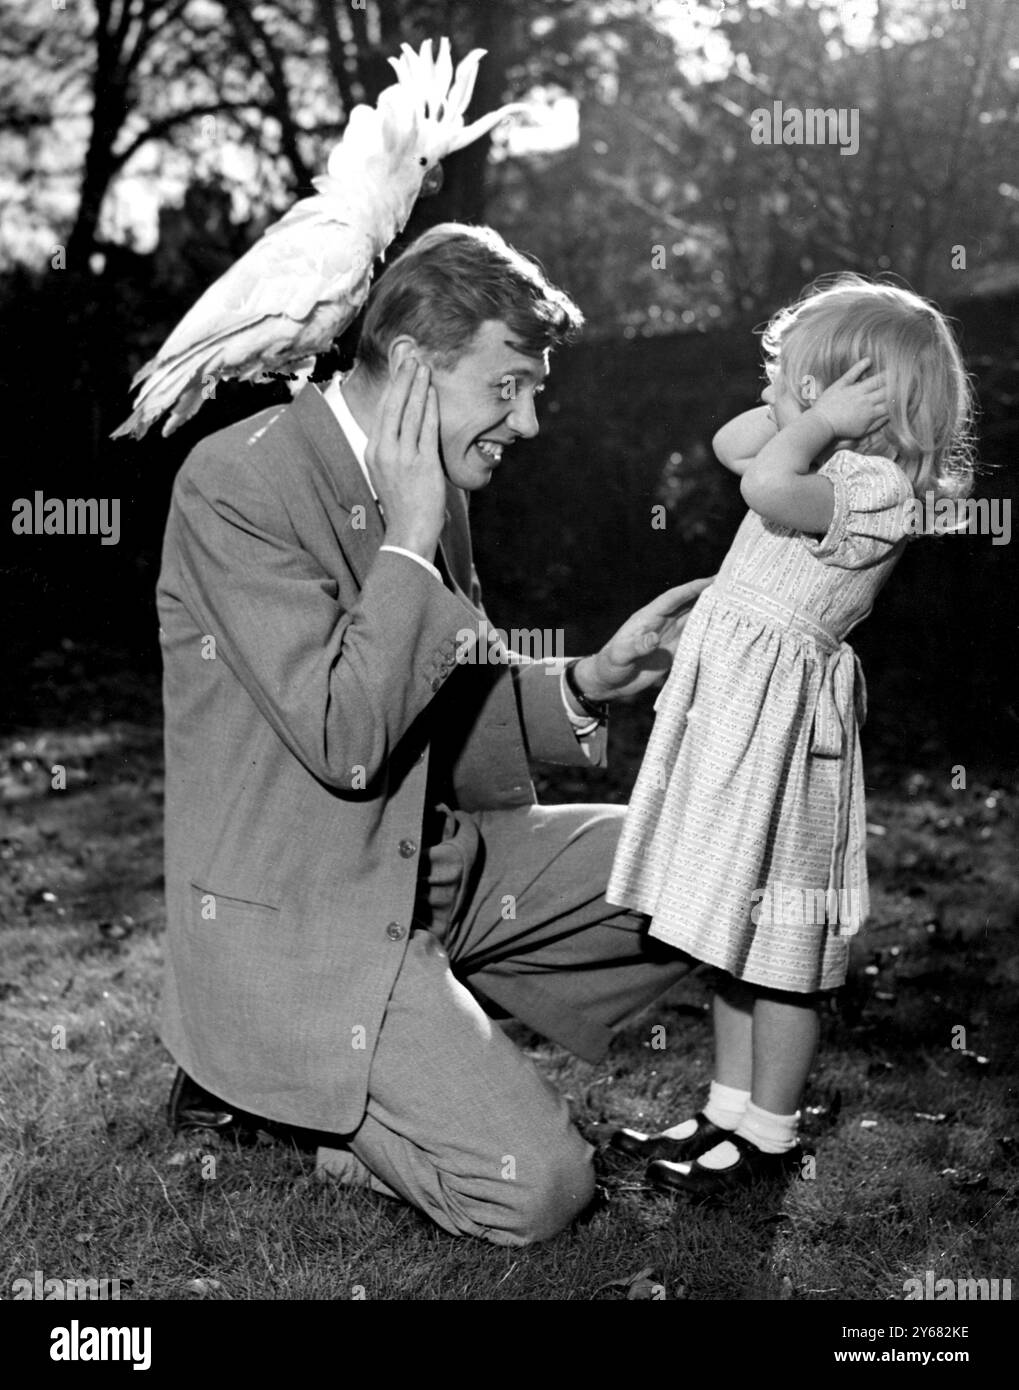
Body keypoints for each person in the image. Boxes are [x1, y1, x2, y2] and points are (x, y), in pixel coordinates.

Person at [157, 221, 709, 1245]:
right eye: (507, 386)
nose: (530, 421)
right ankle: (282, 1101)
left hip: (437, 874)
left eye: (535, 389)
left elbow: (444, 701)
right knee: (537, 1189)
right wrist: (407, 541)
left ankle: (429, 1046)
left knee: (709, 857)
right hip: (306, 922)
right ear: (411, 367)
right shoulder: (236, 481)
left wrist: (590, 682)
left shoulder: (434, 485)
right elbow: (345, 737)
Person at [607, 275, 975, 1197]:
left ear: (868, 401)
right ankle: (724, 1115)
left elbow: (762, 477)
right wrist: (796, 399)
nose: (782, 399)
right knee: (722, 932)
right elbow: (737, 445)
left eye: (804, 381)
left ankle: (768, 1135)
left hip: (782, 739)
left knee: (778, 948)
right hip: (737, 720)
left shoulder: (873, 486)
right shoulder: (820, 455)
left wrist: (812, 419)